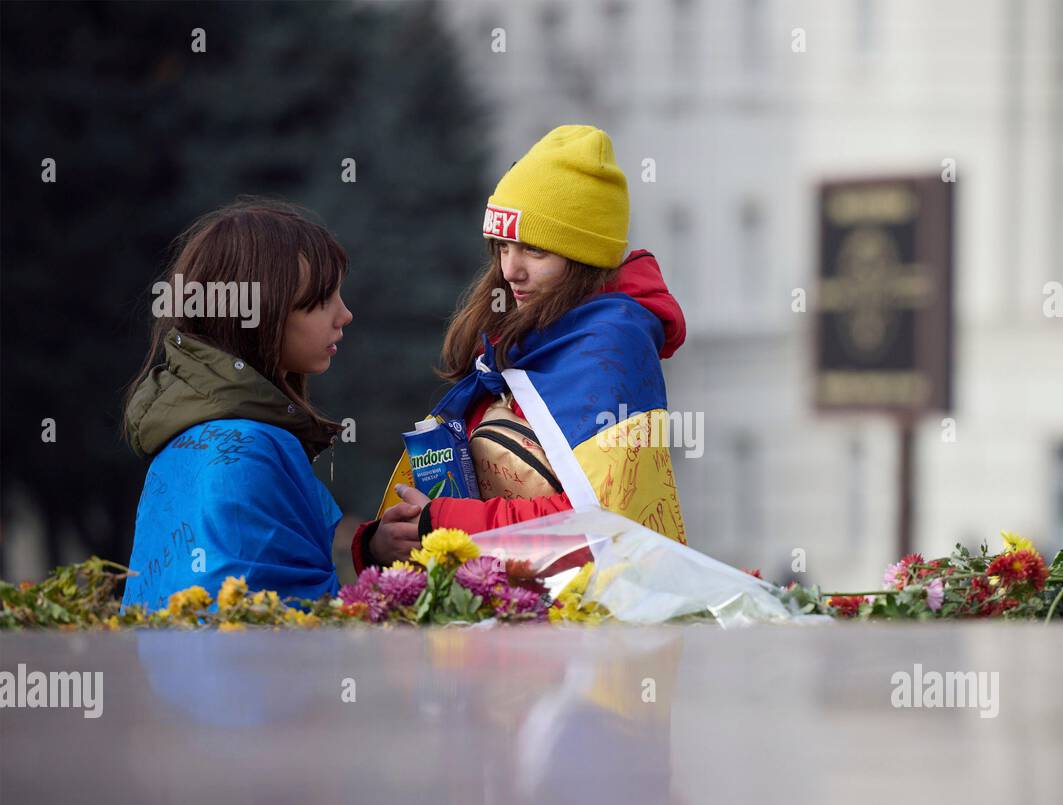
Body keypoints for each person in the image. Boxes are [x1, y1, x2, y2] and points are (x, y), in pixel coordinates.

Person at [355, 125, 688, 571]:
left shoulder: (612, 346)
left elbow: (601, 529)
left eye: (534, 250)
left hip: (578, 634)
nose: (510, 270)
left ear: (582, 259)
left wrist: (445, 526)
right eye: (502, 246)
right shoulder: (518, 338)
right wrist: (385, 542)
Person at [121, 199, 352, 610]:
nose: (344, 315)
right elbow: (267, 625)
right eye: (320, 300)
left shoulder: (192, 433)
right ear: (262, 314)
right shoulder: (248, 448)